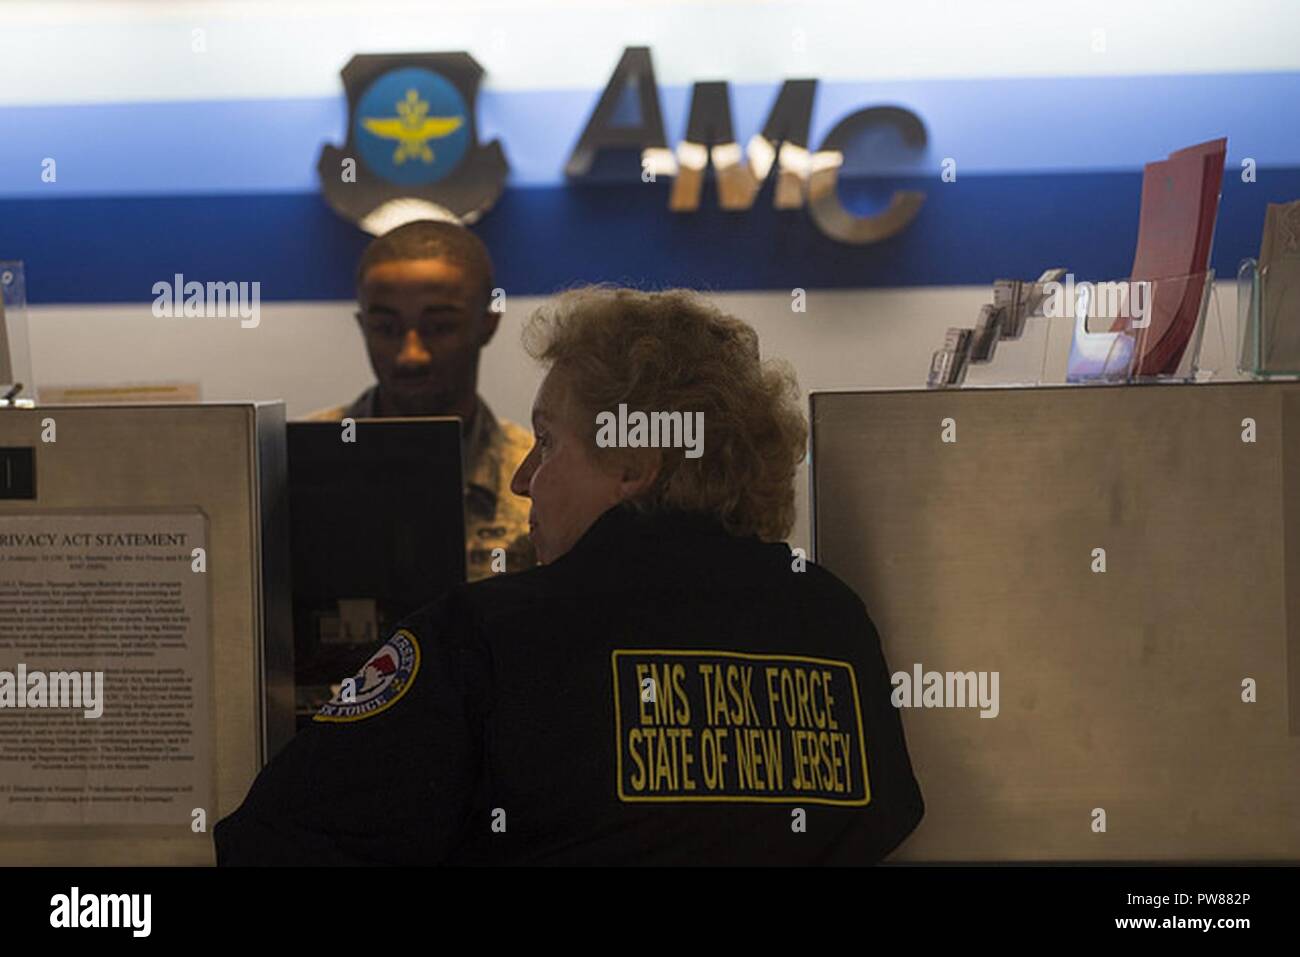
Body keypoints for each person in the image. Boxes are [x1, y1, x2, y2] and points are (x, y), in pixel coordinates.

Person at [216, 286, 924, 865]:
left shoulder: (482, 640)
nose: (524, 477)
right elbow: (888, 822)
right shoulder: (835, 623)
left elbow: (269, 843)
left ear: (633, 464)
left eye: (549, 441)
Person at [306, 219, 534, 580]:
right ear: (363, 326)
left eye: (439, 327)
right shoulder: (295, 467)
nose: (411, 356)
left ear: (487, 325)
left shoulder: (535, 483)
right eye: (387, 329)